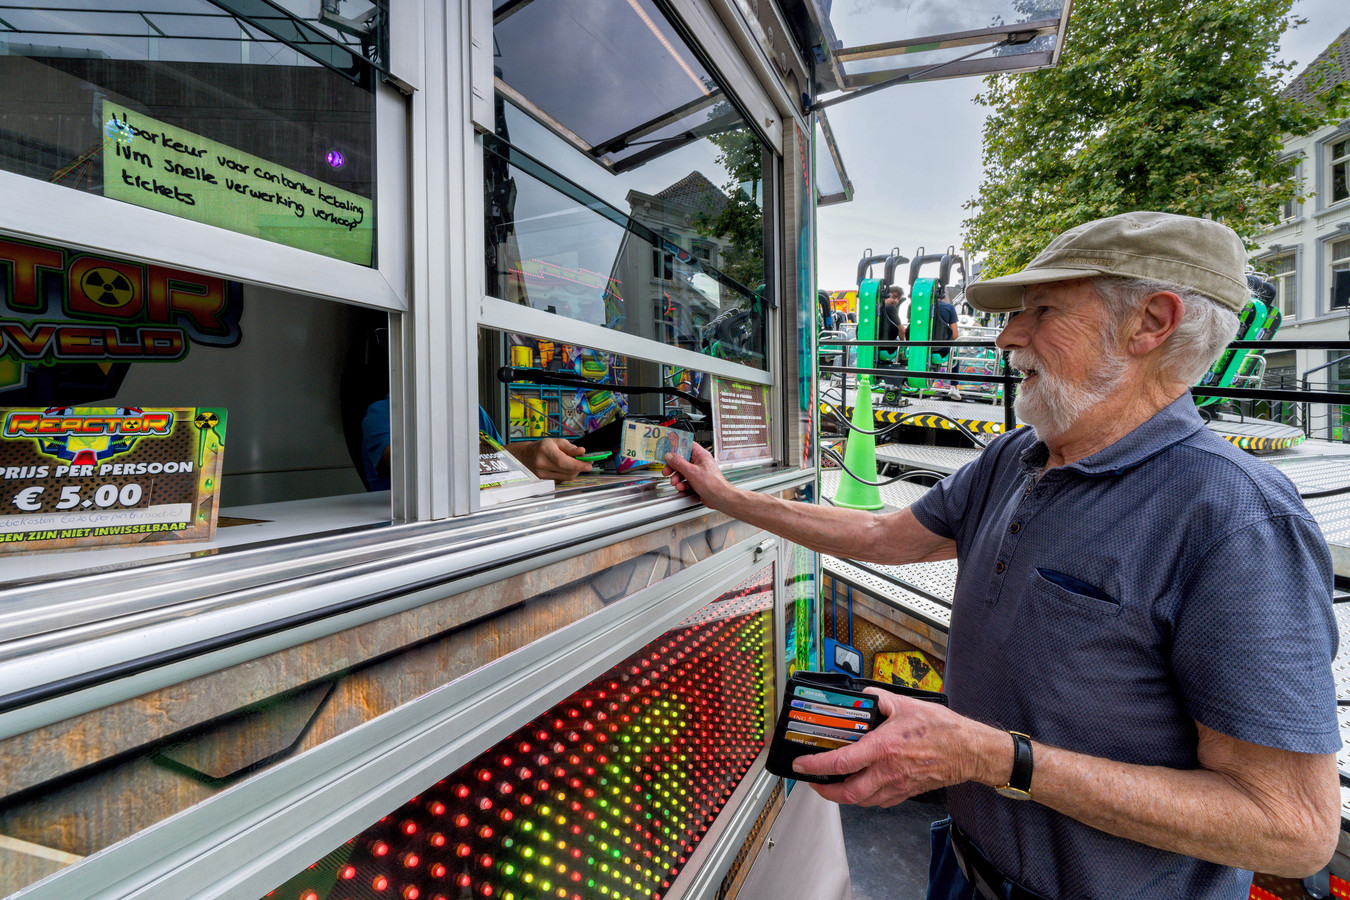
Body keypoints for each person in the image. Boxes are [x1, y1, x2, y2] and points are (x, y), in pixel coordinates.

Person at [664, 211, 1339, 899]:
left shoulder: (1237, 518)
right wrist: (726, 498)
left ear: (1150, 324)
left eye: (1042, 310)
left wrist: (992, 757)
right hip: (963, 867)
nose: (1009, 336)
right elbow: (880, 536)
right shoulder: (1019, 455)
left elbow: (1290, 825)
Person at [361, 397, 591, 491]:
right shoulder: (384, 413)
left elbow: (500, 453)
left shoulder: (473, 411)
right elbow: (413, 465)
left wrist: (533, 455)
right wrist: (523, 458)